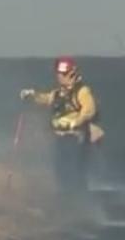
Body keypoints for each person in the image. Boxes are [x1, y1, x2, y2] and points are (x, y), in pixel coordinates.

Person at [19, 56, 103, 211]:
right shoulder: (59, 93)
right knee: (60, 172)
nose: (60, 76)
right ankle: (67, 202)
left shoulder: (82, 92)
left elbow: (89, 109)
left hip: (76, 138)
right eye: (59, 73)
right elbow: (47, 99)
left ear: (71, 73)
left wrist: (76, 122)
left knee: (74, 174)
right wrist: (32, 96)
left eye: (63, 73)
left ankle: (80, 204)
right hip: (60, 138)